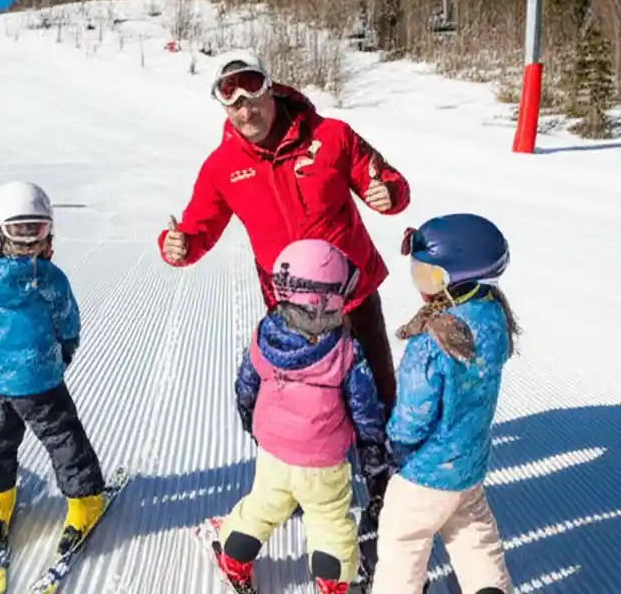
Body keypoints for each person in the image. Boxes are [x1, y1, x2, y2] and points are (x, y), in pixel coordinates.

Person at [158, 50, 410, 419]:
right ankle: (331, 472)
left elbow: (389, 182)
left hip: (354, 298)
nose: (246, 113)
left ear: (270, 89)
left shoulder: (332, 135)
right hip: (291, 310)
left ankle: (385, 472)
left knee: (378, 398)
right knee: (318, 411)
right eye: (234, 104)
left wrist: (388, 193)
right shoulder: (221, 167)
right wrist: (177, 246)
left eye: (253, 97)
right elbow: (197, 229)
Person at [211, 239, 390, 594]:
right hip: (323, 462)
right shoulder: (345, 351)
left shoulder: (265, 337)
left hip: (274, 452)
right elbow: (365, 408)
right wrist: (373, 448)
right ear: (331, 300)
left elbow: (246, 385)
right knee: (328, 520)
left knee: (263, 505)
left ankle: (234, 555)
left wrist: (251, 421)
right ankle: (333, 580)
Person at [0, 181, 105, 594]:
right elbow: (68, 319)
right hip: (40, 383)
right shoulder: (50, 277)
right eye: (19, 232)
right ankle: (84, 499)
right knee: (63, 439)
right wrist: (67, 347)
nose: (27, 244)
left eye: (34, 231)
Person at [373, 213, 518, 594]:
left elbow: (413, 415)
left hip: (424, 473)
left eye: (429, 278)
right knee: (474, 538)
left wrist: (393, 444)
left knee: (402, 543)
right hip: (468, 465)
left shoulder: (431, 342)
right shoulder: (494, 317)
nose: (421, 288)